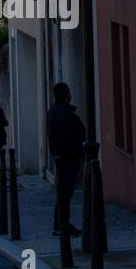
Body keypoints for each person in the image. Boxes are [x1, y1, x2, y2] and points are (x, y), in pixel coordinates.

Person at [47, 82, 86, 236]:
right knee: (64, 193)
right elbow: (67, 137)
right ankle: (61, 225)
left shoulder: (54, 112)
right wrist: (75, 155)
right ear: (67, 95)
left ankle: (62, 223)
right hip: (67, 158)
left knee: (64, 193)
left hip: (63, 157)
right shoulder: (64, 114)